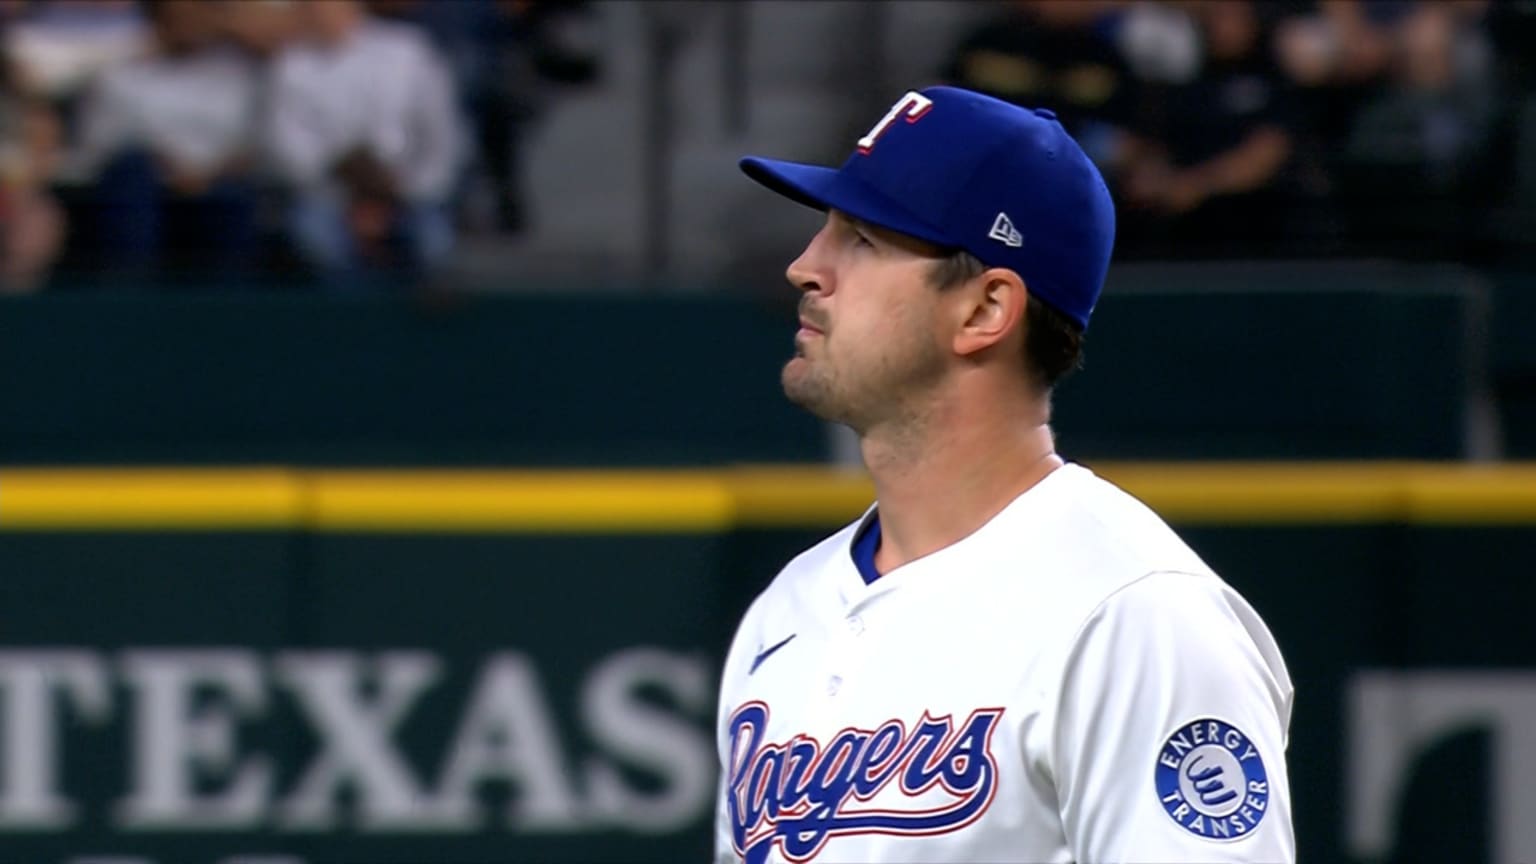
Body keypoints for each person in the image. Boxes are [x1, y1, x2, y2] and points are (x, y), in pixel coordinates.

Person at [715, 85, 1295, 863]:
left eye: (861, 239)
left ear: (986, 309)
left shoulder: (1134, 615)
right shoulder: (785, 611)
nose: (805, 267)